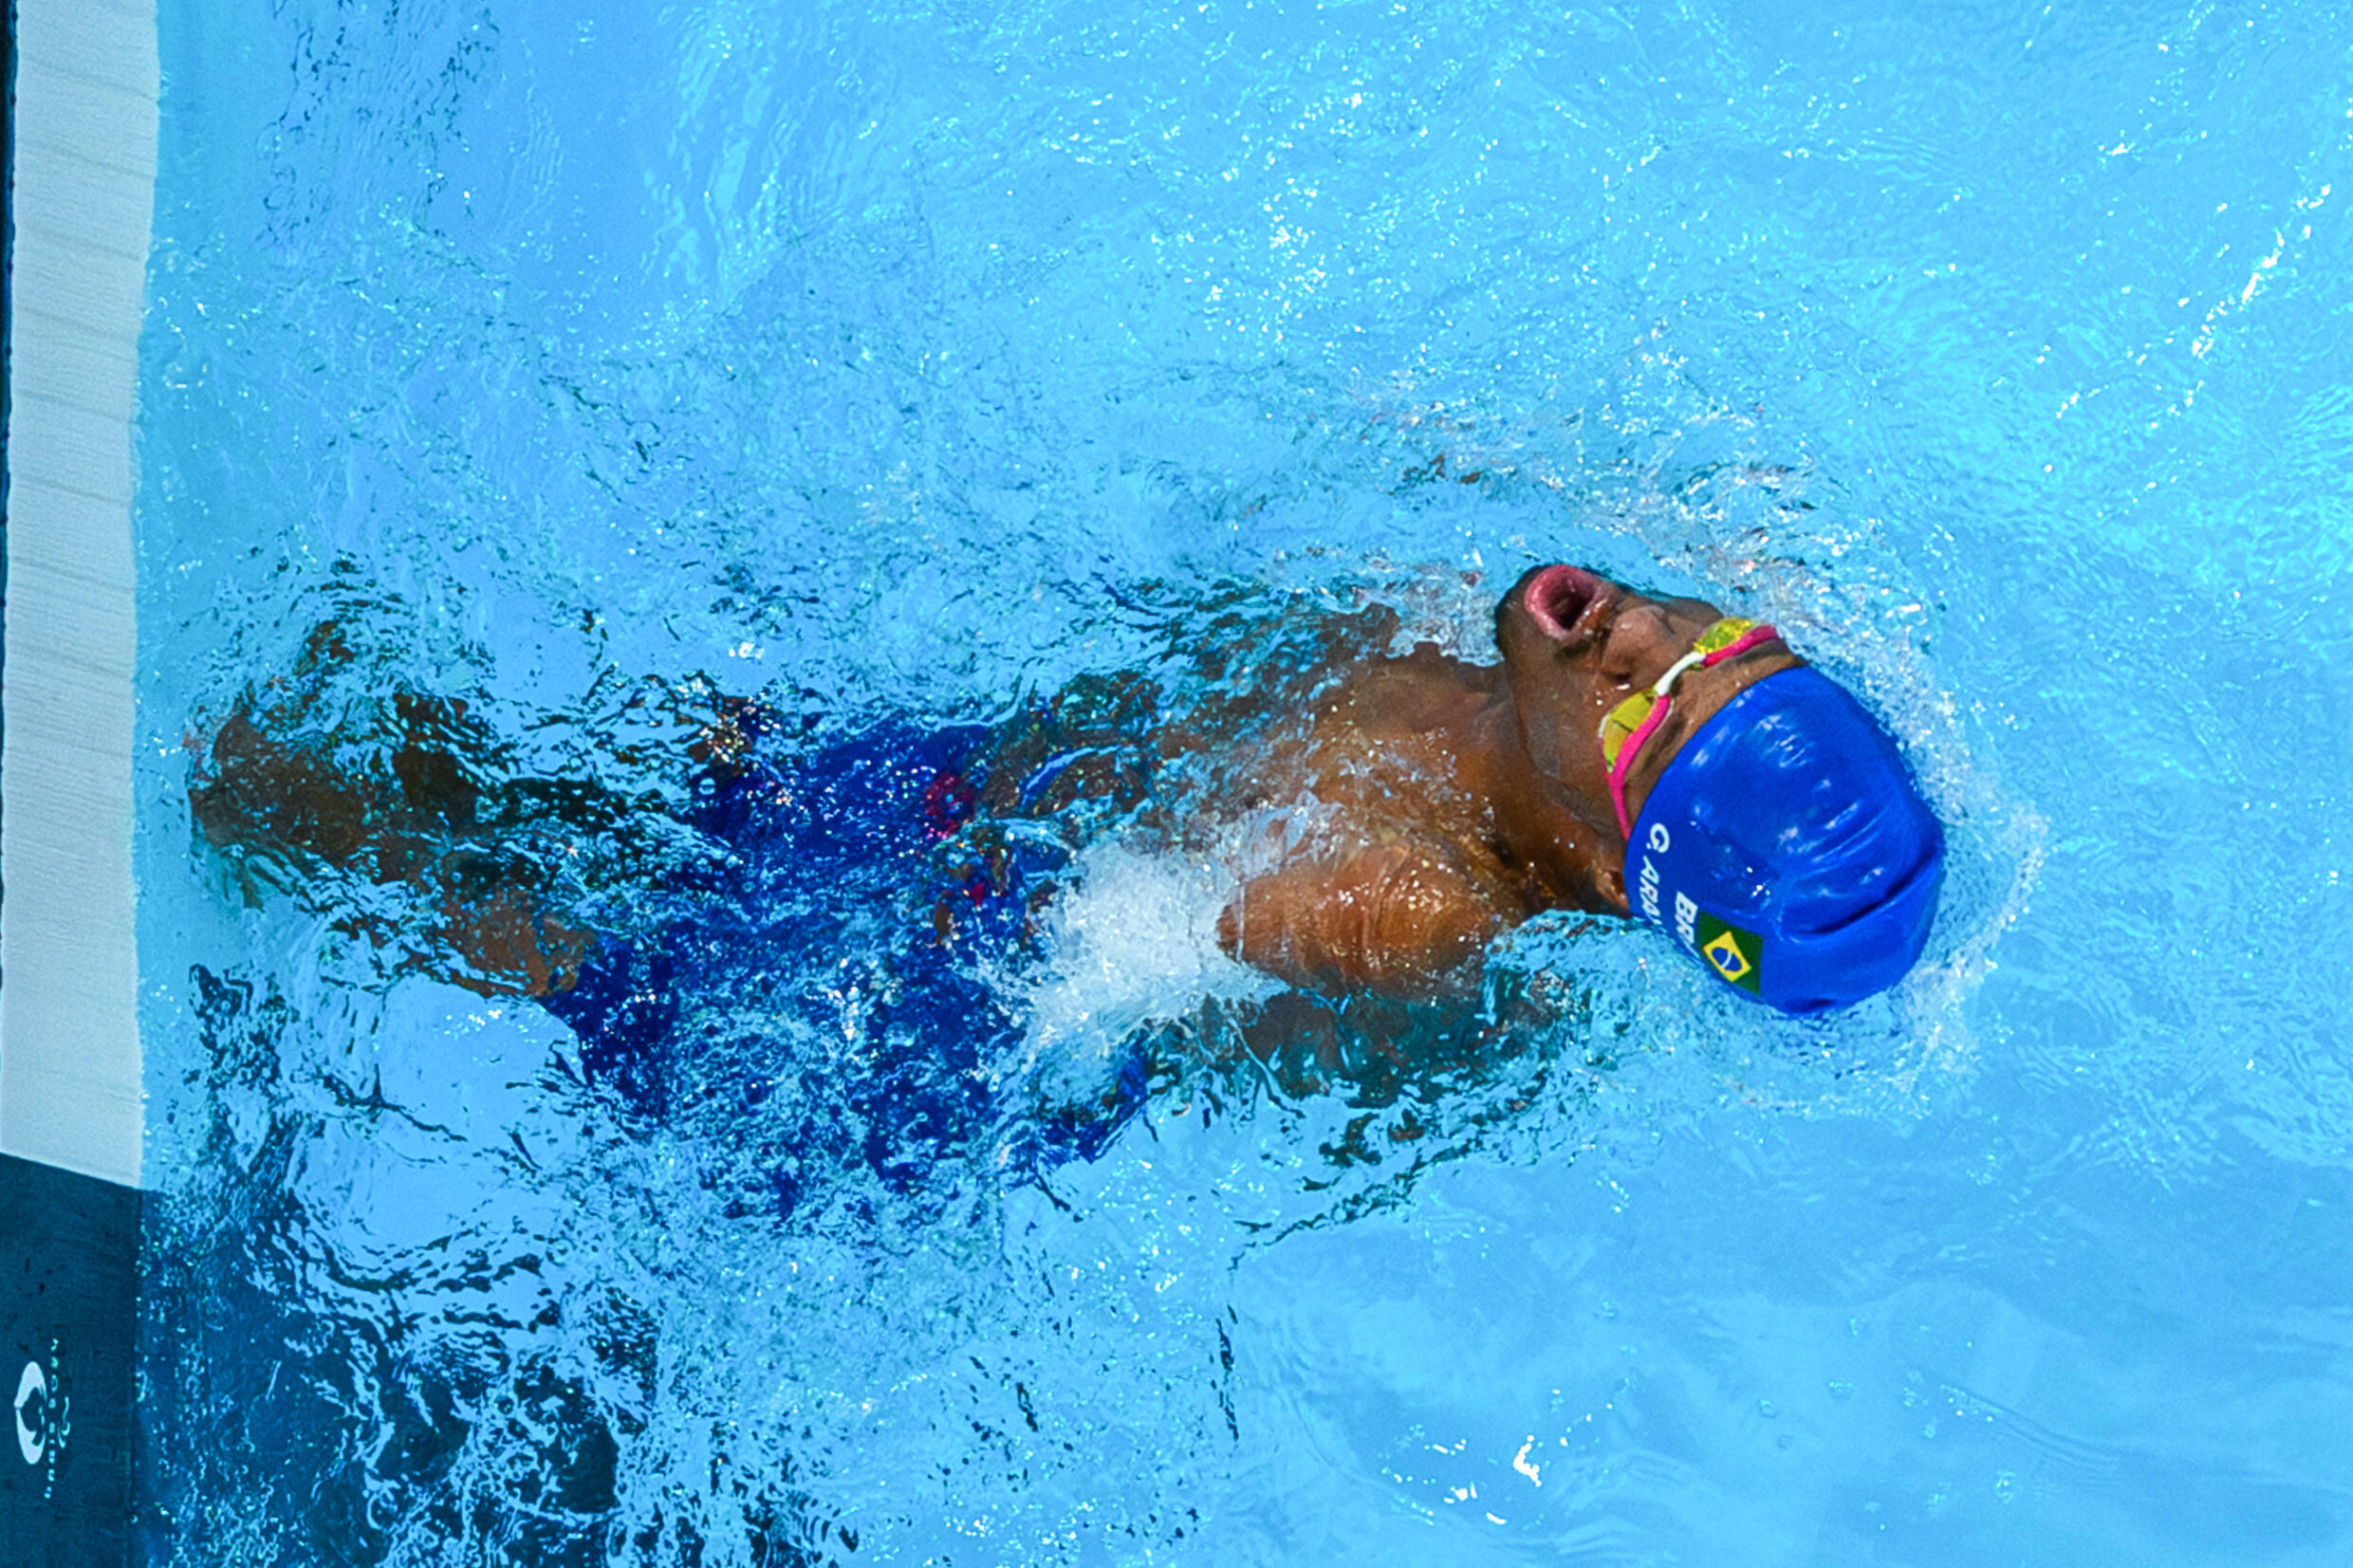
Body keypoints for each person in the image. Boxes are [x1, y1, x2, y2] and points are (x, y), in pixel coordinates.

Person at [189, 563, 1943, 1193]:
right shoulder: (1542, 674)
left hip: (937, 1002)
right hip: (974, 786)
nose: (1650, 629)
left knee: (589, 957)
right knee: (696, 763)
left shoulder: (1411, 900)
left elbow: (1152, 953)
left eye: (1653, 695)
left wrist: (1271, 927)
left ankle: (296, 831)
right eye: (1725, 642)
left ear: (1608, 850)